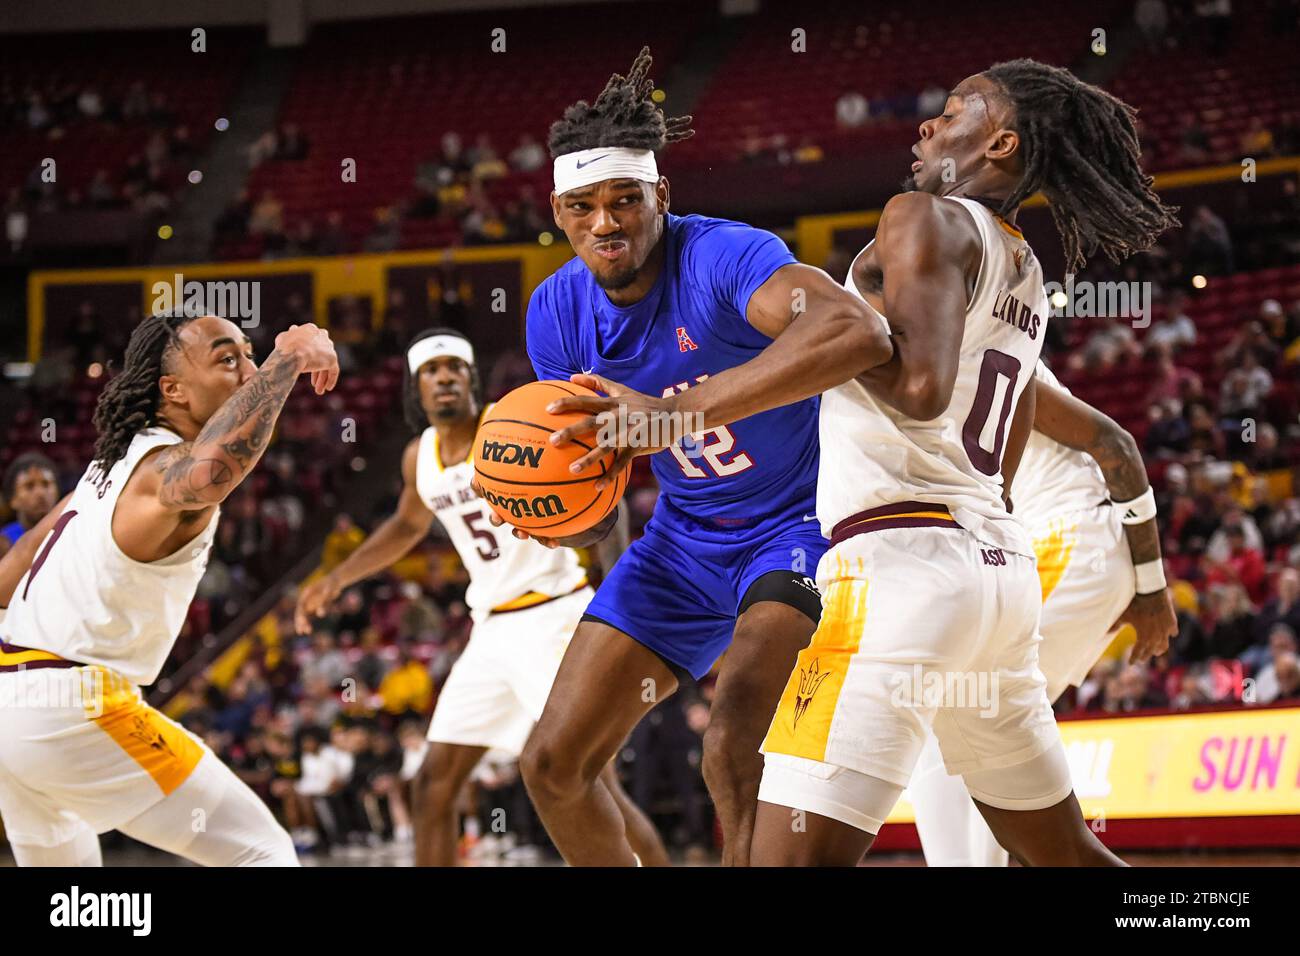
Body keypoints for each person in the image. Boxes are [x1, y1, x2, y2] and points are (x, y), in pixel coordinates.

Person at [552, 58, 1177, 865]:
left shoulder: (921, 215)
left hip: (899, 570)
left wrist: (680, 410)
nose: (928, 125)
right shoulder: (1022, 265)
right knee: (1067, 856)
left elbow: (917, 388)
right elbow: (1005, 420)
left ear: (1001, 143)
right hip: (996, 571)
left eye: (953, 113)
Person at [505, 47, 891, 867]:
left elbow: (858, 330)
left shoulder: (722, 257)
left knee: (733, 741)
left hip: (801, 525)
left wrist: (675, 414)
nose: (605, 223)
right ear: (559, 211)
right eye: (583, 207)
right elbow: (595, 484)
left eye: (624, 201)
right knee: (552, 765)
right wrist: (563, 518)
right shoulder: (553, 312)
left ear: (661, 197)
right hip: (682, 544)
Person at [295, 328, 667, 866]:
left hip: (554, 615)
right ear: (415, 387)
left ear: (472, 377)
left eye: (455, 367)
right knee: (433, 784)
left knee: (590, 784)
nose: (445, 377)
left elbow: (600, 494)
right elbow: (405, 525)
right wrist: (338, 578)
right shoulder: (417, 456)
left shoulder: (515, 422)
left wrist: (619, 588)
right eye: (432, 370)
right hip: (491, 629)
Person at [0, 311, 339, 866]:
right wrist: (289, 356)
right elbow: (211, 470)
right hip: (72, 709)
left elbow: (13, 566)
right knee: (262, 850)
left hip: (10, 710)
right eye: (228, 360)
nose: (249, 371)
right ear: (172, 390)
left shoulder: (104, 469)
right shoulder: (159, 473)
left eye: (252, 355)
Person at [906, 361, 1178, 866]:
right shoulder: (937, 354)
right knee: (982, 722)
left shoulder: (986, 346)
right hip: (1055, 545)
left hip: (1075, 537)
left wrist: (1152, 585)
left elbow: (1118, 446)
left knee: (954, 709)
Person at [0, 452, 59, 557]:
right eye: (29, 486)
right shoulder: (4, 543)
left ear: (57, 492)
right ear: (13, 499)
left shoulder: (70, 533)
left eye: (46, 484)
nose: (40, 493)